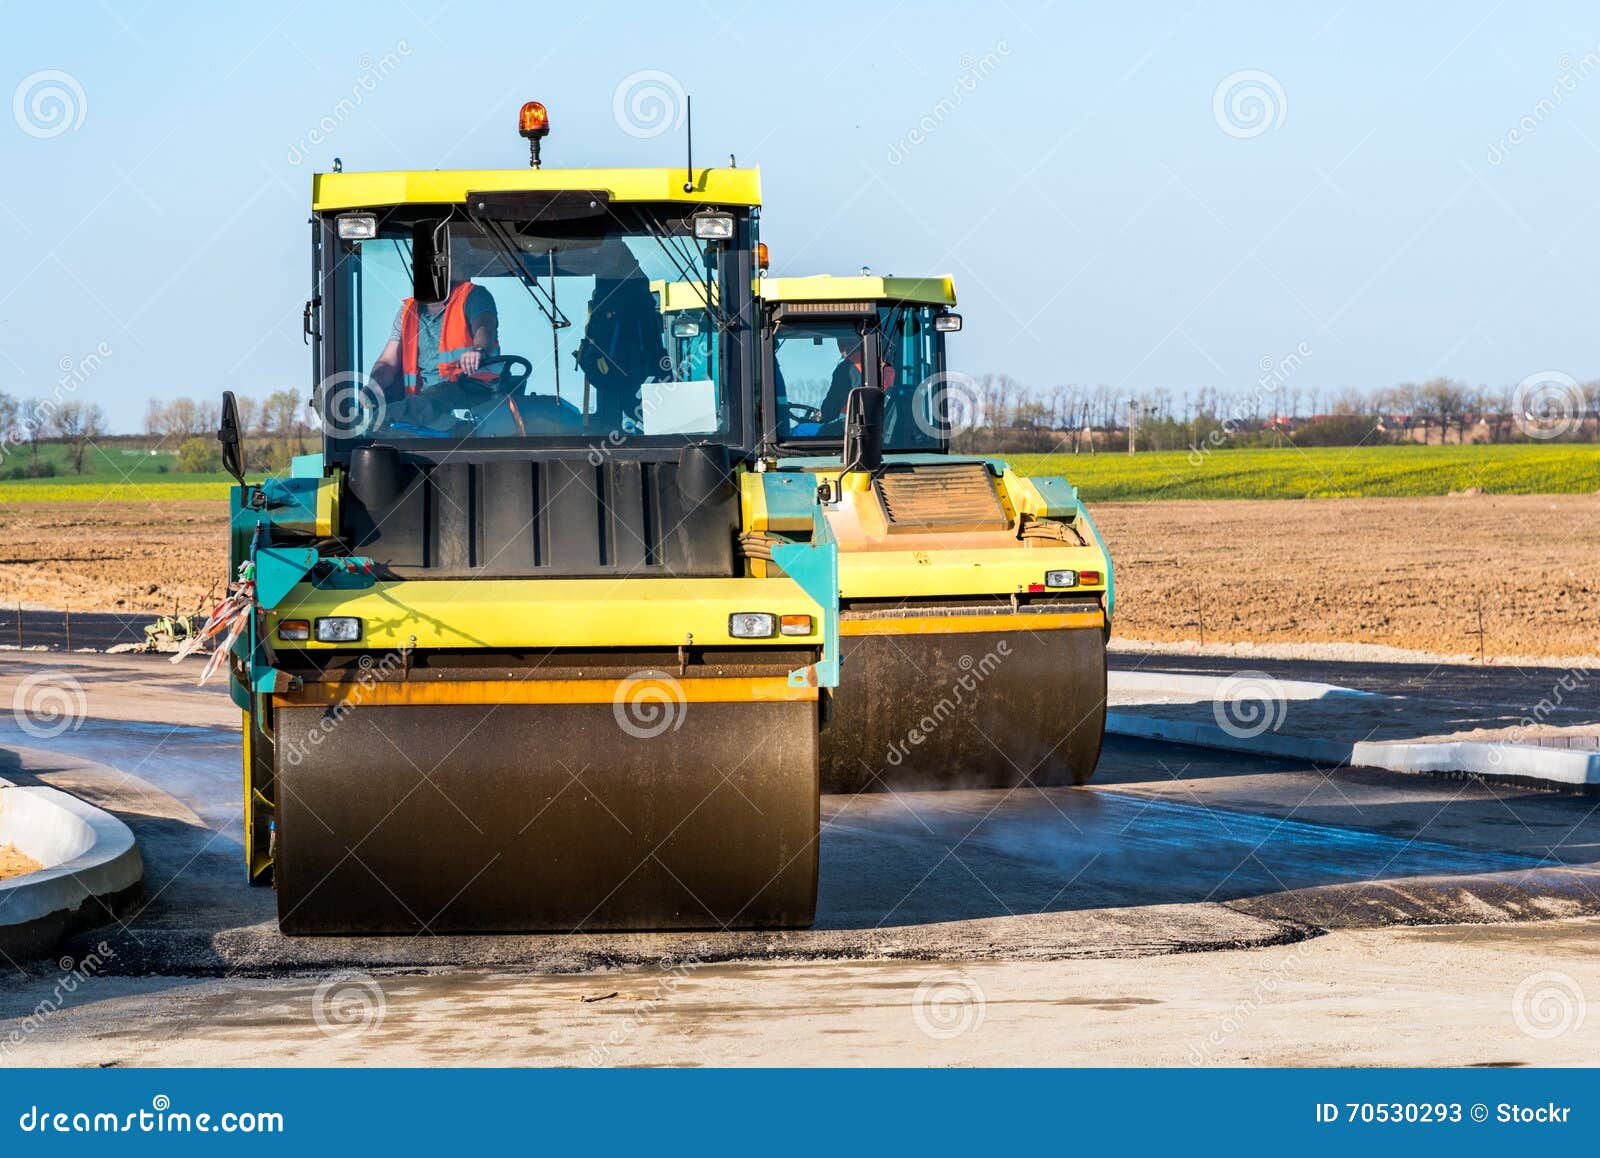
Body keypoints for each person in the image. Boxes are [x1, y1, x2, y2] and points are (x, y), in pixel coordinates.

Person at [368, 280, 499, 401]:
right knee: (383, 415)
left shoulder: (472, 295)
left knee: (393, 414)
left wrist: (479, 349)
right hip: (427, 401)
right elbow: (388, 363)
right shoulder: (407, 312)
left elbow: (485, 326)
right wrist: (373, 386)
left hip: (472, 393)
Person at [818, 335, 895, 422]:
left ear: (841, 345)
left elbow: (833, 403)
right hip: (884, 423)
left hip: (852, 426)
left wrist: (823, 416)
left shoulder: (847, 367)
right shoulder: (888, 368)